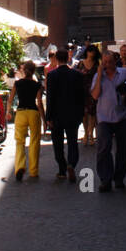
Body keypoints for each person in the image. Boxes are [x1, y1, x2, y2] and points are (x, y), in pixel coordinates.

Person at [91, 50, 126, 191]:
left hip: (123, 116)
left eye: (110, 62)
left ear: (115, 61)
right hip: (104, 118)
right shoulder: (98, 76)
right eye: (105, 62)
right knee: (104, 148)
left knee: (123, 150)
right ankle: (105, 180)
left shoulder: (124, 73)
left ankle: (119, 178)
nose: (108, 65)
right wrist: (100, 74)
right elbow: (95, 96)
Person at [46, 48, 86, 183]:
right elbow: (82, 96)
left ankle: (62, 169)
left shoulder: (52, 75)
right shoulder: (78, 75)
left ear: (56, 59)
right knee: (72, 142)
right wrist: (81, 114)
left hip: (57, 115)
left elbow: (50, 98)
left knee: (57, 143)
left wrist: (48, 117)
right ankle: (71, 164)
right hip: (73, 114)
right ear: (68, 58)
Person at [6, 61, 44, 182]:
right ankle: (33, 171)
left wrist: (8, 112)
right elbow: (39, 103)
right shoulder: (37, 85)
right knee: (34, 141)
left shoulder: (18, 84)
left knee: (19, 141)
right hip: (33, 112)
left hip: (21, 112)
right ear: (33, 71)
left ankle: (19, 167)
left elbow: (10, 99)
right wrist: (44, 119)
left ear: (24, 70)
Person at [79, 44, 100, 144]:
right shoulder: (80, 63)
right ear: (86, 52)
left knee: (92, 113)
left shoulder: (97, 64)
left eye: (93, 51)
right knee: (84, 113)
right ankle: (86, 133)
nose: (91, 53)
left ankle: (91, 133)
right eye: (90, 51)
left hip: (93, 90)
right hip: (82, 90)